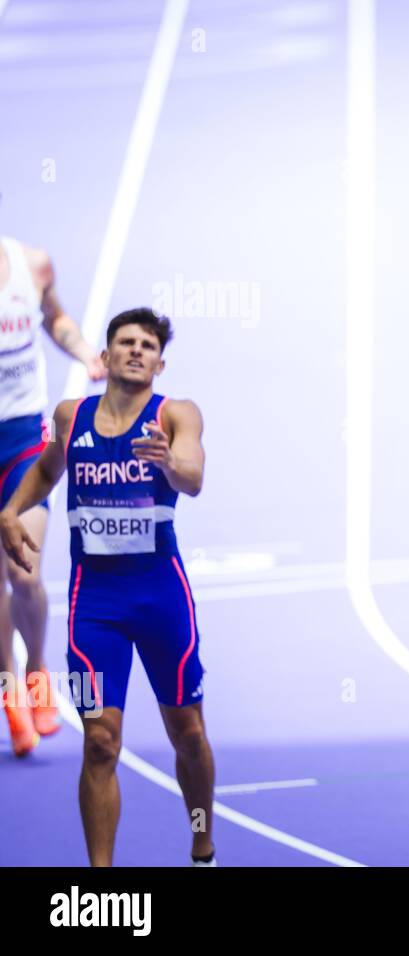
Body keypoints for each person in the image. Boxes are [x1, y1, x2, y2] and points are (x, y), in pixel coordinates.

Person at [0, 308, 213, 867]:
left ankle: (202, 845)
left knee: (188, 734)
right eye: (126, 342)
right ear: (107, 355)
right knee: (99, 742)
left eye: (147, 344)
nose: (137, 350)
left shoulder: (177, 415)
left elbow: (193, 477)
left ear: (159, 362)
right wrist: (12, 510)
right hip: (95, 606)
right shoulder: (73, 417)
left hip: (162, 599)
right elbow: (47, 471)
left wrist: (170, 463)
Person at [0, 234, 106, 756]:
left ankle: (37, 667)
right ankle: (8, 687)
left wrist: (85, 351)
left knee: (24, 574)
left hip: (22, 438)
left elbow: (54, 319)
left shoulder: (31, 264)